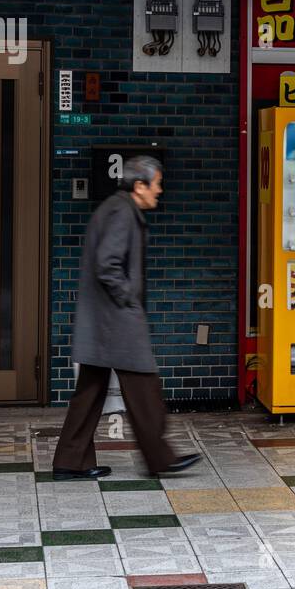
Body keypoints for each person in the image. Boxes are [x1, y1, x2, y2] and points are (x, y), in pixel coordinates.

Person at [52, 155, 201, 480]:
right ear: (139, 185)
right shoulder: (122, 211)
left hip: (104, 322)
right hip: (116, 321)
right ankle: (160, 458)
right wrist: (128, 297)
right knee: (144, 385)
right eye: (157, 184)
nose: (159, 191)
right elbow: (108, 264)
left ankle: (70, 460)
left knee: (90, 392)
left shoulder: (115, 207)